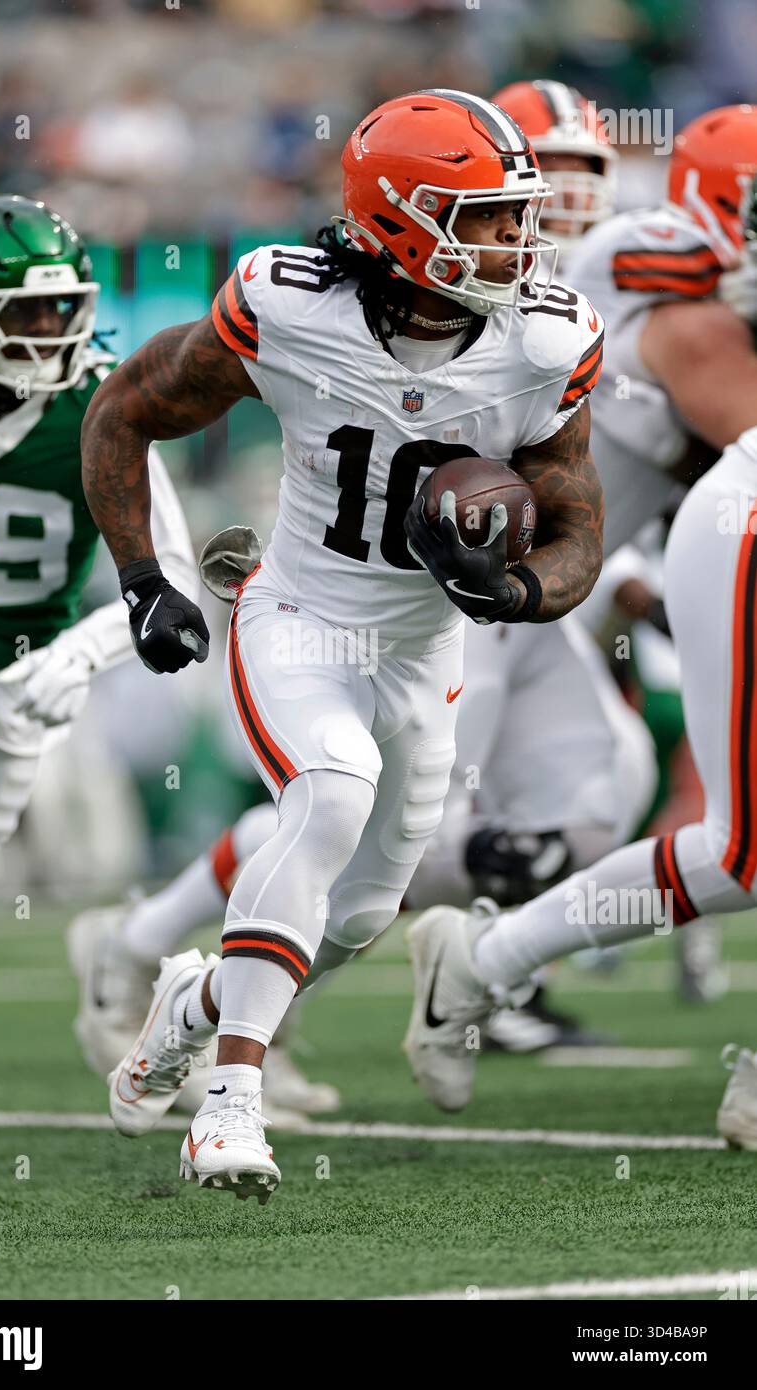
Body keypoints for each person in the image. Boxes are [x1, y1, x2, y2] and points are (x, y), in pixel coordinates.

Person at [81, 90, 606, 1203]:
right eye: (486, 218)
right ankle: (226, 1110)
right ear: (402, 223)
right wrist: (143, 577)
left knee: (361, 912)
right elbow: (125, 407)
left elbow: (576, 525)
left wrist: (510, 588)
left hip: (425, 653)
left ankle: (189, 999)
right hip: (301, 621)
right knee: (328, 793)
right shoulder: (287, 304)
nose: (519, 238)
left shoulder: (546, 337)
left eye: (517, 216)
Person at [403, 127, 757, 1123]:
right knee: (394, 840)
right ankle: (207, 995)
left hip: (567, 585)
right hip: (485, 581)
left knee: (604, 799)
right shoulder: (660, 288)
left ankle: (485, 962)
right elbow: (619, 266)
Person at [0, 194, 195, 979]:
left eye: (61, 309)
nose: (49, 331)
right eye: (21, 313)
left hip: (28, 673)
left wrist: (88, 653)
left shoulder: (100, 404)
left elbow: (174, 577)